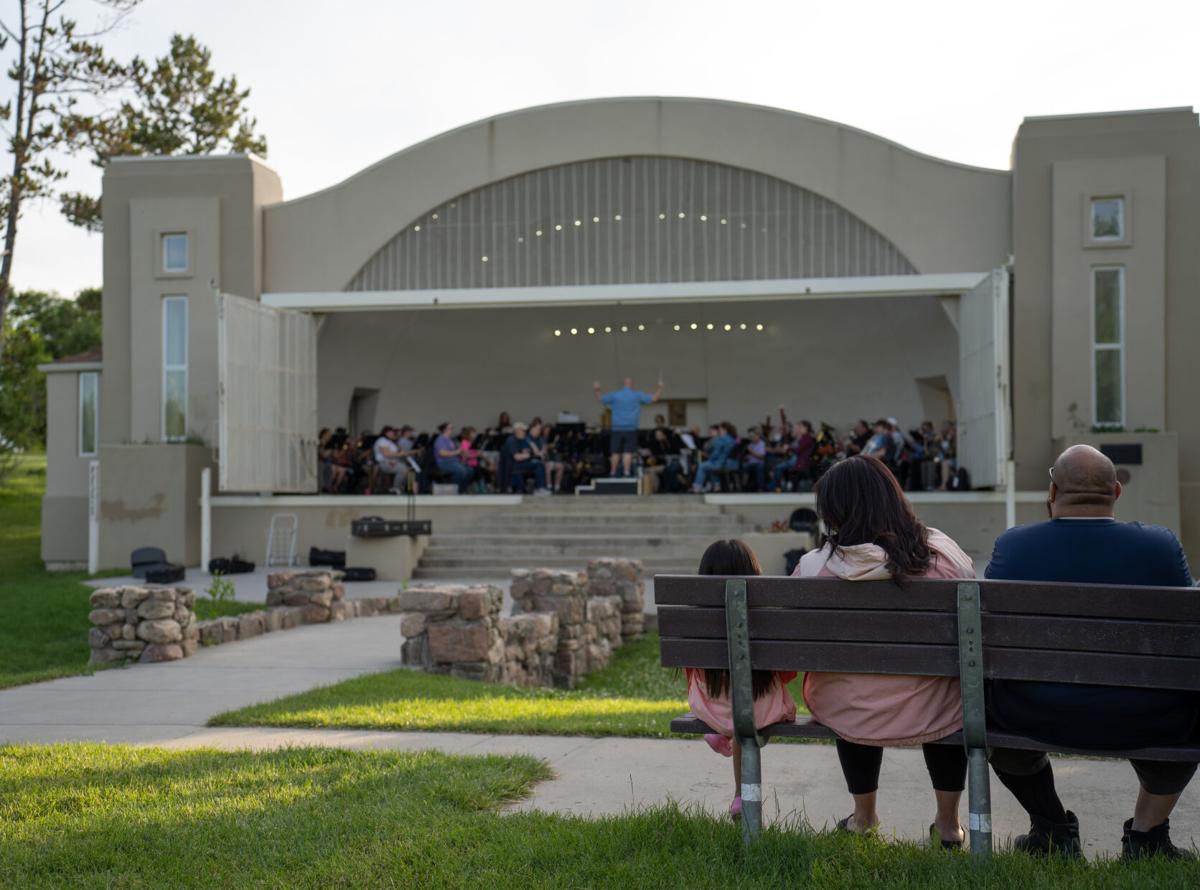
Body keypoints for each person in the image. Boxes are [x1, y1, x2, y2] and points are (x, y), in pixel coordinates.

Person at [984, 445, 1197, 859]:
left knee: (993, 710)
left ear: (1051, 492)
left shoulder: (1013, 547)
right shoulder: (1160, 547)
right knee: (1193, 710)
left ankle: (1052, 830)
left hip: (1028, 715)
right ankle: (1148, 836)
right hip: (1148, 717)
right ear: (1117, 491)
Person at [795, 455, 976, 847]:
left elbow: (795, 646)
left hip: (850, 708)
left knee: (850, 689)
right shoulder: (942, 554)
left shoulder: (813, 568)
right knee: (943, 694)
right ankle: (948, 826)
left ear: (833, 509)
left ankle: (863, 818)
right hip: (934, 704)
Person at [684, 539, 797, 821]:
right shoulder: (766, 615)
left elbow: (689, 667)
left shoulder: (695, 616)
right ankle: (740, 796)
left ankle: (717, 729)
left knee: (735, 716)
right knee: (748, 718)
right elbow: (787, 673)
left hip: (710, 706)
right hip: (760, 708)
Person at [593, 376, 663, 478]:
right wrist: (660, 387)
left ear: (624, 385)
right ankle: (626, 473)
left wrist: (597, 389)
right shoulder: (637, 395)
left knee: (615, 452)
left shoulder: (616, 395)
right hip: (630, 429)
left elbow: (601, 399)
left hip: (617, 429)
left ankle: (612, 473)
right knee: (628, 452)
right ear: (632, 385)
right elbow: (655, 398)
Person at [503, 422, 549, 494]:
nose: (525, 433)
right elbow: (517, 457)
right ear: (517, 431)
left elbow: (528, 452)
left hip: (521, 463)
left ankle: (539, 487)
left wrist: (531, 444)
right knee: (538, 465)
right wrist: (531, 455)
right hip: (513, 466)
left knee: (539, 463)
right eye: (523, 431)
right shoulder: (511, 440)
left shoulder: (522, 440)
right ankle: (540, 488)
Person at [770, 420, 816, 491]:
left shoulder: (806, 438)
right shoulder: (804, 437)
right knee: (778, 467)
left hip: (801, 462)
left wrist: (788, 448)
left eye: (801, 427)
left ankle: (775, 487)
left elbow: (798, 450)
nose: (800, 429)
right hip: (799, 461)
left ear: (806, 428)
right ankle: (778, 486)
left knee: (778, 468)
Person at [692, 423, 737, 493]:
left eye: (720, 430)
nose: (719, 432)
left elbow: (716, 454)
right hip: (733, 463)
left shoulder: (721, 440)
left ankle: (697, 487)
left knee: (702, 466)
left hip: (723, 464)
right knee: (710, 465)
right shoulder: (732, 439)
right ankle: (716, 486)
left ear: (725, 430)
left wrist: (709, 456)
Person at [432, 422, 474, 492]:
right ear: (445, 430)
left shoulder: (451, 440)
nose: (452, 430)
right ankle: (454, 491)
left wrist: (463, 453)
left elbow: (458, 451)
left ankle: (462, 489)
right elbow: (442, 453)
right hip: (443, 462)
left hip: (453, 461)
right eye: (450, 428)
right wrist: (457, 452)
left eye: (452, 428)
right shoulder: (440, 440)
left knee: (470, 470)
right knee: (460, 471)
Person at [529, 419, 564, 493]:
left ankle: (557, 487)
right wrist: (550, 446)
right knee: (548, 466)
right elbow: (542, 450)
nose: (547, 432)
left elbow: (555, 450)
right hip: (544, 460)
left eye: (549, 430)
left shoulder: (553, 438)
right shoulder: (540, 438)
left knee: (560, 466)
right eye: (546, 430)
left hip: (552, 459)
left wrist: (555, 442)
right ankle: (549, 486)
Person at [372, 426, 409, 493]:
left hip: (393, 461)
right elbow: (386, 454)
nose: (393, 434)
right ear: (387, 433)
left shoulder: (390, 441)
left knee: (408, 469)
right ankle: (396, 488)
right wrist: (400, 454)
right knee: (403, 469)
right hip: (384, 462)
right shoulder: (382, 440)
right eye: (392, 432)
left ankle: (402, 488)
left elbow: (398, 452)